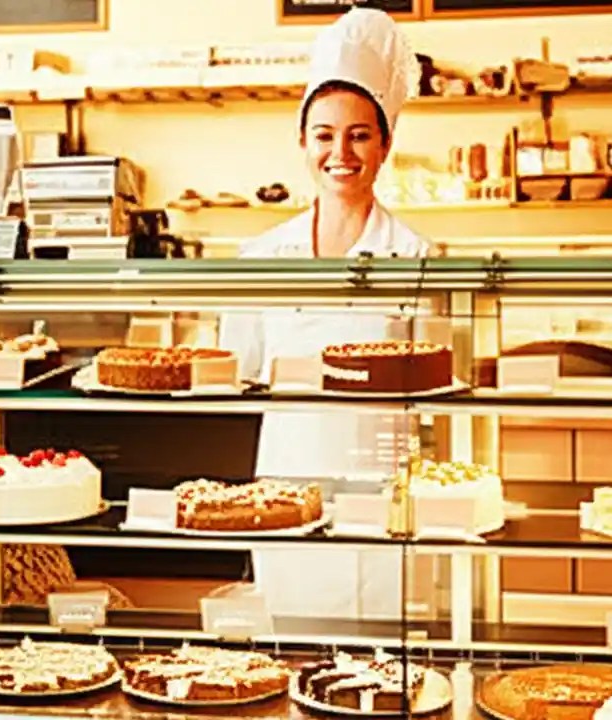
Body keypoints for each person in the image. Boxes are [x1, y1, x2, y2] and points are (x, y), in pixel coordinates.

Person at [220, 8, 431, 621]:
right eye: (324, 134)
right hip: (287, 483)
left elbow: (436, 396)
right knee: (291, 646)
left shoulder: (415, 256)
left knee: (381, 665)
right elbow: (240, 374)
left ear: (386, 144)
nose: (341, 152)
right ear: (303, 142)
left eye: (360, 134)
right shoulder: (261, 256)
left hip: (383, 490)